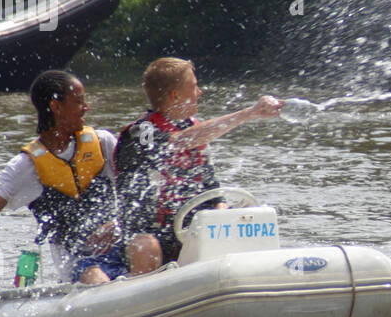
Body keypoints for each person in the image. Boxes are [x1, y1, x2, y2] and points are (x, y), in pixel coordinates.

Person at [0, 70, 142, 285]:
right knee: (96, 278)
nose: (86, 107)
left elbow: (136, 192)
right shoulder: (26, 166)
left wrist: (117, 223)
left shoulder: (102, 142)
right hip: (82, 266)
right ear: (56, 107)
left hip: (121, 244)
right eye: (80, 101)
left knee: (147, 246)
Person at [116, 57, 283, 270]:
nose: (200, 93)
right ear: (175, 95)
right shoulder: (141, 133)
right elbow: (178, 141)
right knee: (145, 246)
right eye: (194, 87)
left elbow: (211, 187)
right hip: (150, 237)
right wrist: (250, 113)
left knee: (249, 213)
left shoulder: (194, 129)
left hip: (194, 231)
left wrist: (222, 211)